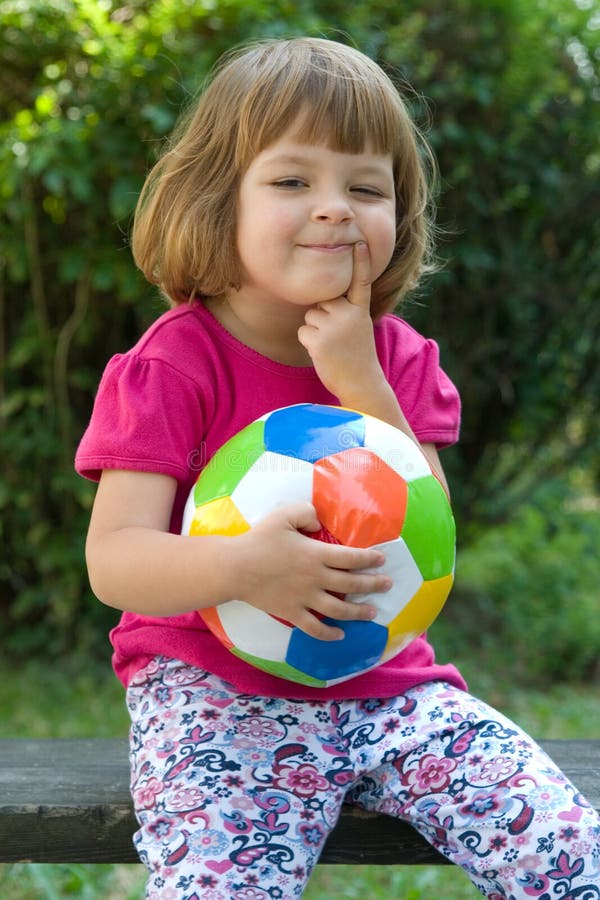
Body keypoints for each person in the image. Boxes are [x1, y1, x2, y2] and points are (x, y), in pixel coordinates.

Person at [75, 37, 599, 899]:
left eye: (366, 188)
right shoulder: (172, 364)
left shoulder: (399, 358)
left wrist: (362, 381)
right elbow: (115, 560)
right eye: (292, 181)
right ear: (217, 202)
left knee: (568, 852)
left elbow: (430, 530)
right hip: (216, 700)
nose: (334, 210)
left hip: (394, 689)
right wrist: (245, 567)